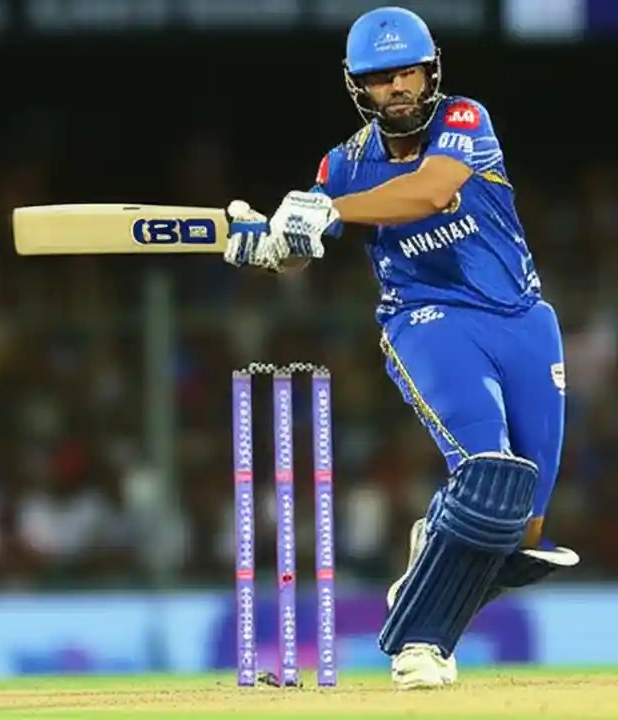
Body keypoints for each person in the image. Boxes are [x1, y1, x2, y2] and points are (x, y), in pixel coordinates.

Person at [223, 6, 578, 689]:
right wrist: (267, 244)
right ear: (359, 88)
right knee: (489, 474)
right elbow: (302, 247)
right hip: (427, 321)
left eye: (408, 73)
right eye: (382, 79)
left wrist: (329, 210)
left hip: (525, 321)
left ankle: (432, 548)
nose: (399, 89)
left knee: (519, 537)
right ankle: (420, 644)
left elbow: (431, 189)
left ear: (432, 71)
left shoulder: (464, 121)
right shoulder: (341, 165)